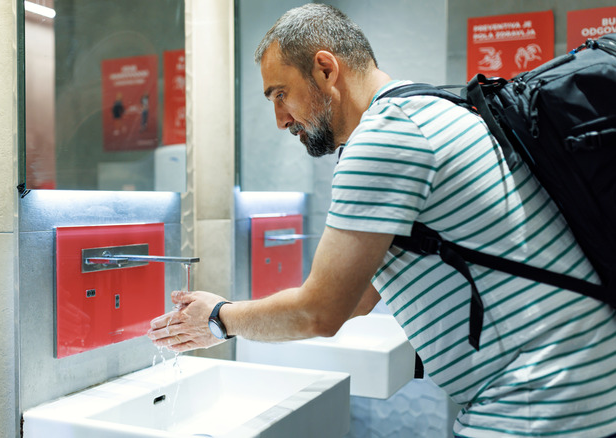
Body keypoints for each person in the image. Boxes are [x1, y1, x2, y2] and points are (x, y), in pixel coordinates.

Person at [147, 4, 616, 437]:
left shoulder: (384, 138)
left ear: (326, 68)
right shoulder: (424, 107)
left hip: (542, 401)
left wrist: (218, 318)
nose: (280, 119)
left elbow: (320, 312)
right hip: (578, 385)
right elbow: (356, 300)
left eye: (281, 94)